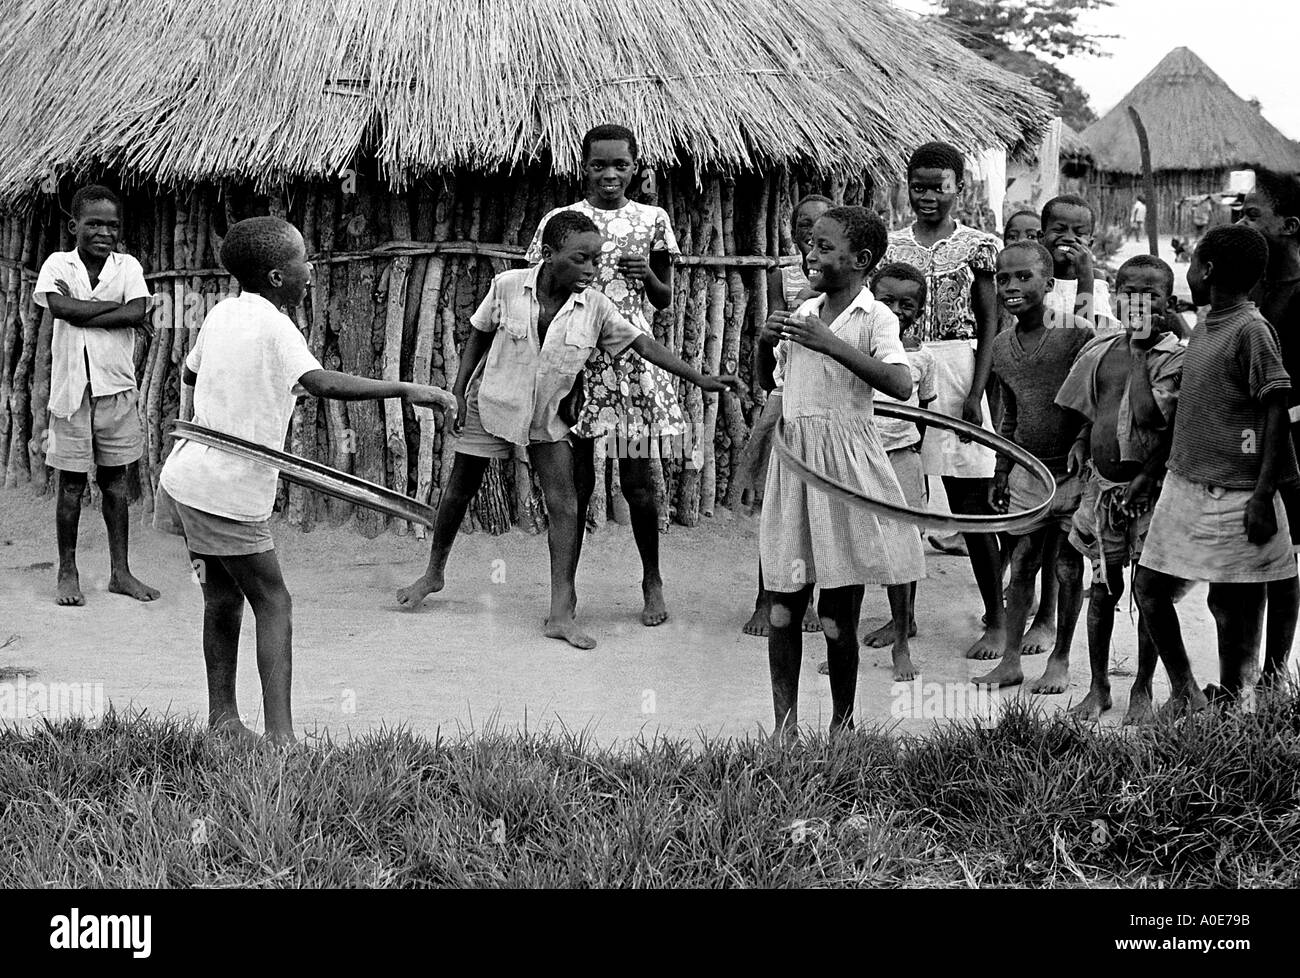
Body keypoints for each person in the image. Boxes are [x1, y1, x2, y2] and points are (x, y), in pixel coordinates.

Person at [156, 217, 457, 745]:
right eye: (302, 260)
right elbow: (318, 382)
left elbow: (191, 375)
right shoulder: (274, 325)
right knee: (274, 601)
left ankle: (223, 720)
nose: (311, 269)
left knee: (222, 598)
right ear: (276, 276)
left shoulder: (222, 313)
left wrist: (247, 387)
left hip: (187, 480)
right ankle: (282, 741)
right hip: (228, 488)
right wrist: (403, 388)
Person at [400, 211, 741, 650]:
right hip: (496, 405)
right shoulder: (507, 286)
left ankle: (560, 612)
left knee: (565, 505)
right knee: (459, 490)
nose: (591, 270)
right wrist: (459, 391)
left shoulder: (596, 307)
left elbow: (644, 344)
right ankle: (434, 573)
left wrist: (700, 379)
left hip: (548, 416)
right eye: (581, 260)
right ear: (548, 254)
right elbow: (478, 337)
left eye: (596, 261)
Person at [761, 207, 925, 738]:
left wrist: (829, 342)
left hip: (845, 473)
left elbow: (901, 385)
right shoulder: (803, 310)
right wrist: (771, 343)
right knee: (784, 608)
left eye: (825, 246)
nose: (811, 252)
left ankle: (842, 725)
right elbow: (782, 390)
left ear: (861, 261)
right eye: (810, 243)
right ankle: (783, 728)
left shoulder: (876, 318)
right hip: (794, 471)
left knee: (836, 615)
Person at [525, 124, 685, 628]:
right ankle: (566, 591)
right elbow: (539, 285)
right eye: (599, 165)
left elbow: (665, 299)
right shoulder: (562, 220)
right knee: (577, 482)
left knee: (639, 482)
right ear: (584, 167)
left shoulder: (652, 220)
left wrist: (648, 276)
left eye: (620, 164)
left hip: (633, 368)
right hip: (577, 366)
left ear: (636, 167)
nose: (610, 174)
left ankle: (651, 580)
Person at [1134, 225, 1299, 715]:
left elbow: (1275, 409)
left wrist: (1262, 495)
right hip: (1186, 485)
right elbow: (1198, 405)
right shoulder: (1208, 326)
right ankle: (1186, 690)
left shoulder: (1251, 328)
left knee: (1233, 608)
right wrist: (1154, 470)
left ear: (1205, 270)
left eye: (1192, 264)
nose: (1189, 272)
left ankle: (1233, 703)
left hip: (1238, 492)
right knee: (1149, 587)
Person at [883, 142, 1005, 661]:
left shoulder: (979, 246)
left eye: (940, 186)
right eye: (919, 186)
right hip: (900, 364)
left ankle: (997, 620)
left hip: (958, 371)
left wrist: (976, 393)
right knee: (903, 498)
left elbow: (990, 324)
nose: (928, 196)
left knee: (968, 502)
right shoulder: (891, 247)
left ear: (960, 187)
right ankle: (902, 617)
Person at [1056, 256, 1184, 721]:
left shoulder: (1173, 357)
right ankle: (1098, 686)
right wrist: (1077, 440)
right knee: (1103, 590)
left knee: (1150, 594)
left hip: (1148, 495)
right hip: (1102, 488)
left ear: (1168, 303)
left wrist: (1139, 353)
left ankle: (1144, 688)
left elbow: (1154, 420)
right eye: (1129, 290)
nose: (1138, 301)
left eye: (1150, 294)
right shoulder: (1103, 347)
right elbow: (1094, 409)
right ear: (1115, 295)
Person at [975, 241, 1094, 689]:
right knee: (1023, 561)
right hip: (1027, 471)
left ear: (1048, 283)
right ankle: (1010, 660)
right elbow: (1008, 413)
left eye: (1024, 277)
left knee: (1066, 565)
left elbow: (1096, 397)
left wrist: (1084, 441)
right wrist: (1001, 471)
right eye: (1003, 278)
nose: (1011, 286)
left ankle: (1060, 658)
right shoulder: (1003, 347)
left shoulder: (1075, 332)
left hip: (1071, 471)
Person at [34, 185, 157, 608]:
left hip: (116, 389)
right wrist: (114, 311)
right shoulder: (58, 264)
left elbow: (138, 312)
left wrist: (87, 310)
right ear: (74, 226)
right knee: (69, 485)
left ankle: (120, 572)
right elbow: (61, 310)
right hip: (72, 394)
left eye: (112, 225)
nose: (104, 232)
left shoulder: (128, 266)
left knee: (116, 484)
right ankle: (68, 572)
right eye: (94, 224)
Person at [817, 261, 934, 680]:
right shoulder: (852, 344)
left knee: (901, 553)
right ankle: (843, 648)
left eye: (909, 304)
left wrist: (916, 463)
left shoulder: (921, 357)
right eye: (888, 300)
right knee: (853, 551)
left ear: (920, 309)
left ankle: (902, 641)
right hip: (853, 458)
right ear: (870, 298)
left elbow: (925, 414)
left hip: (900, 457)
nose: (899, 310)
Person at [739, 194, 833, 637]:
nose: (810, 231)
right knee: (777, 503)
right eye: (802, 223)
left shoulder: (845, 277)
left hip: (825, 394)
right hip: (786, 384)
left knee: (817, 503)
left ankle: (808, 599)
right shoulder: (784, 273)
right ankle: (766, 598)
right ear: (792, 229)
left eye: (820, 224)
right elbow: (776, 327)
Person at [1240, 168, 1300, 688]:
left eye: (1254, 215)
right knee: (1253, 557)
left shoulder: (1298, 296)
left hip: (1292, 445)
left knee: (1284, 562)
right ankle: (1245, 672)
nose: (1243, 220)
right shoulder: (1253, 287)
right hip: (1250, 440)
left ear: (1290, 225)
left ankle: (1275, 674)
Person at [1040, 194, 1118, 331]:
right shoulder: (1033, 277)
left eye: (1079, 233)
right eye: (1059, 230)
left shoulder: (1095, 279)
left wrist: (1085, 278)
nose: (1069, 238)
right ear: (1041, 237)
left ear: (1090, 243)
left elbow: (1086, 335)